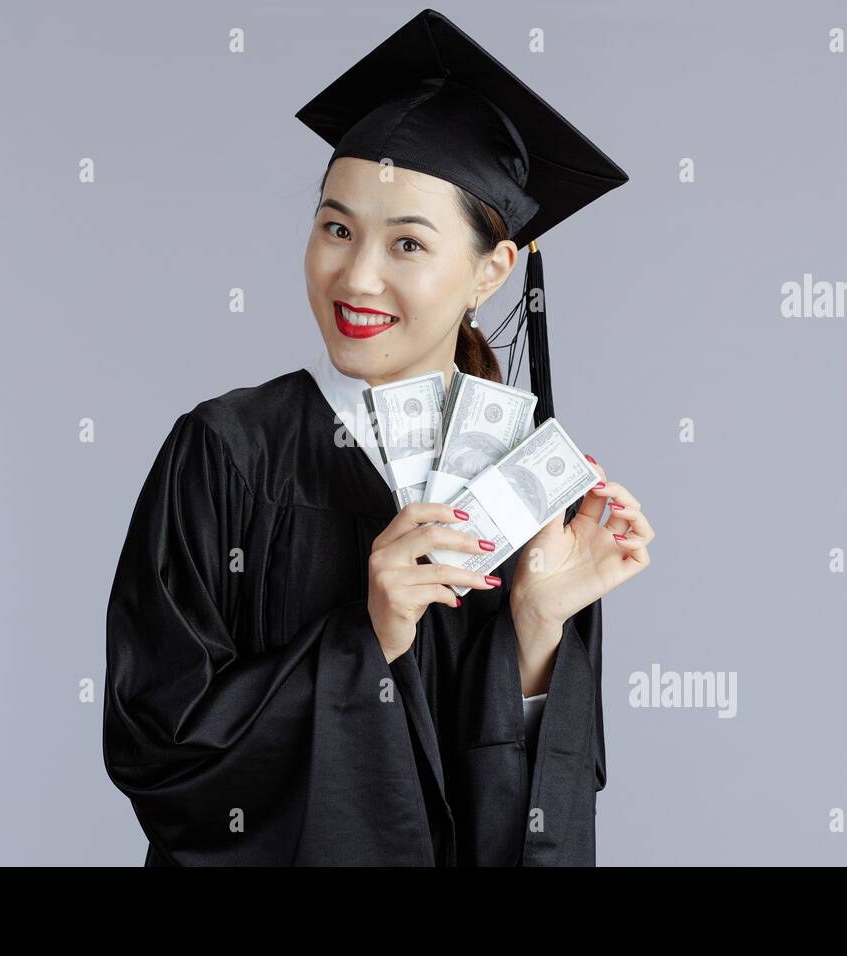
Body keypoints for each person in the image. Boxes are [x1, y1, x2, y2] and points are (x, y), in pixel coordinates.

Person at [103, 8, 655, 866]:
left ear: (491, 271)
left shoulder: (526, 482)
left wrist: (538, 627)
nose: (356, 276)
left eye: (407, 243)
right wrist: (370, 636)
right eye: (336, 227)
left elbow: (542, 815)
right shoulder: (224, 452)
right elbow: (159, 754)